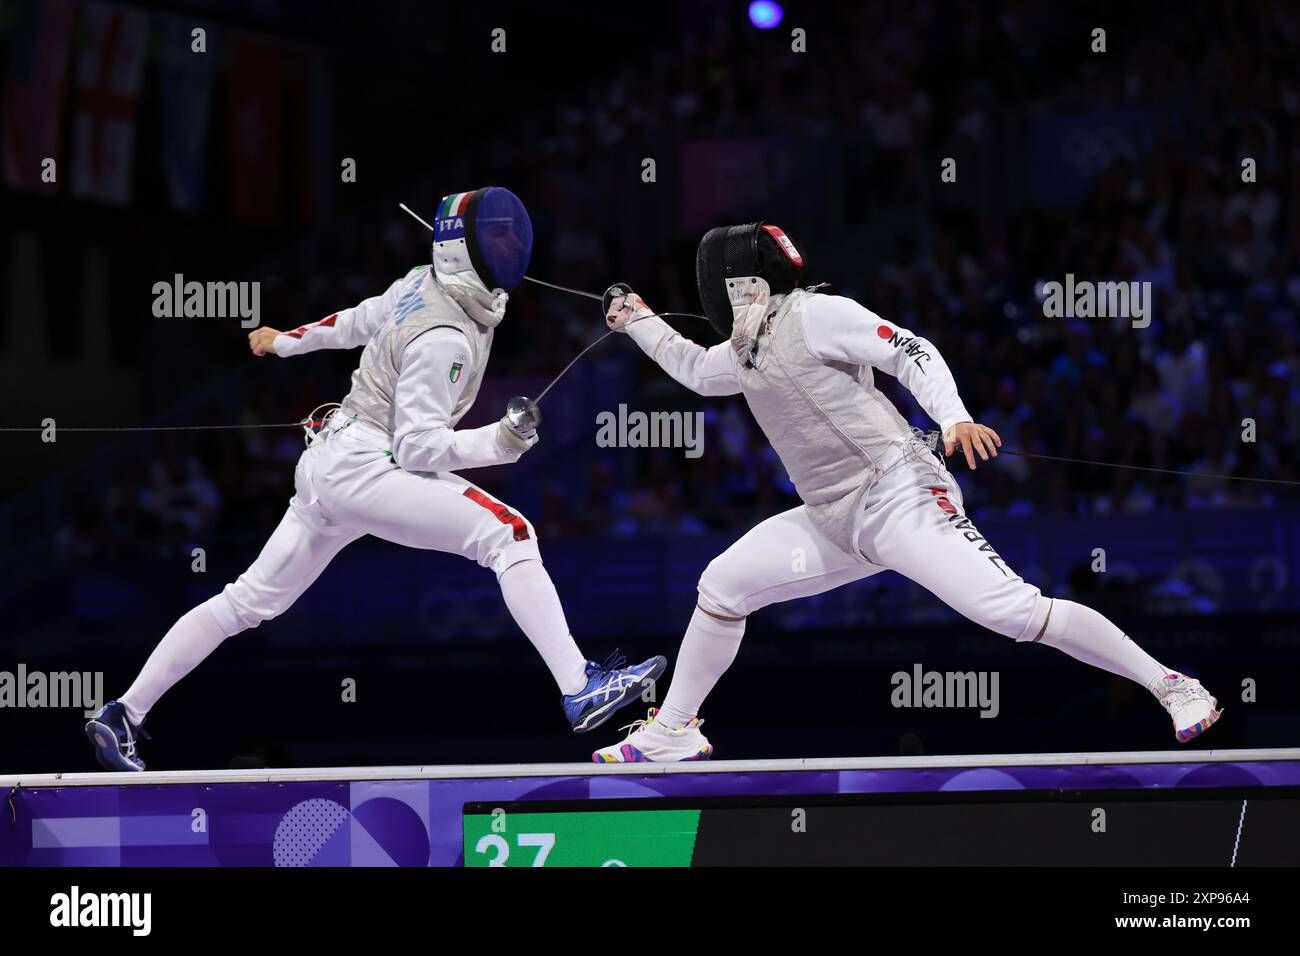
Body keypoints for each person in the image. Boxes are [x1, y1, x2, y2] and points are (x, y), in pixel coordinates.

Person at [593, 221, 1219, 763]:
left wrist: (953, 418)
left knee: (1014, 612)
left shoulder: (817, 314)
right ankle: (672, 730)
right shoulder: (746, 348)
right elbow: (698, 372)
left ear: (736, 283)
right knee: (721, 588)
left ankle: (1170, 683)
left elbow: (909, 350)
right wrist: (638, 320)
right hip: (831, 518)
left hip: (900, 494)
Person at [86, 188, 664, 771]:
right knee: (508, 534)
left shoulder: (420, 280)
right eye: (498, 234)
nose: (514, 242)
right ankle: (577, 685)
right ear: (468, 251)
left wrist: (288, 341)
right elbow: (417, 447)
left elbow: (361, 318)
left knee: (245, 602)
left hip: (330, 463)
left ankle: (124, 713)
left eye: (512, 232)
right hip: (368, 465)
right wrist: (500, 442)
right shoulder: (445, 338)